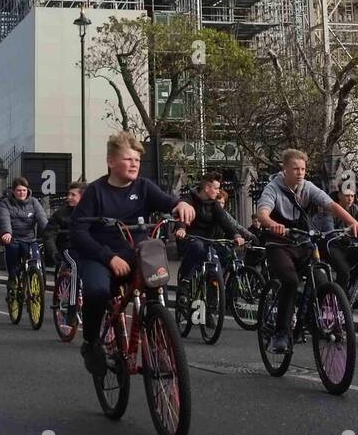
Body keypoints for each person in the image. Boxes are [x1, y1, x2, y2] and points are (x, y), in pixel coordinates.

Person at [69, 131, 195, 377]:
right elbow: (78, 233)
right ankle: (92, 342)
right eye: (128, 159)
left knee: (156, 286)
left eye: (137, 160)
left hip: (136, 254)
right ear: (111, 162)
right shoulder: (95, 192)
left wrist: (182, 204)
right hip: (100, 256)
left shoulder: (144, 187)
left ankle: (157, 338)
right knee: (97, 291)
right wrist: (108, 257)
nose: (134, 164)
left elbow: (169, 201)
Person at [256, 149, 358, 354]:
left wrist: (353, 222)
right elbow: (262, 212)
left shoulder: (307, 187)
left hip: (302, 242)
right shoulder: (273, 188)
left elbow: (331, 204)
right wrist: (272, 224)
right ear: (285, 169)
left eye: (303, 169)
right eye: (296, 169)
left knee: (322, 277)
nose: (300, 173)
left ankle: (312, 320)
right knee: (289, 281)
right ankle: (280, 333)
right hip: (279, 244)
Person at [174, 172, 245, 288]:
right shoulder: (190, 198)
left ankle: (218, 294)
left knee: (224, 257)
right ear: (207, 188)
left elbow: (225, 221)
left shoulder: (214, 204)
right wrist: (181, 228)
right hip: (190, 239)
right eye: (216, 188)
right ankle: (184, 283)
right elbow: (182, 215)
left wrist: (236, 235)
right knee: (197, 246)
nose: (218, 192)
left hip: (209, 241)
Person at [0, 176, 48, 293]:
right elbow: (4, 219)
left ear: (27, 190)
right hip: (13, 237)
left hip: (30, 239)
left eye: (24, 190)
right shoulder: (5, 203)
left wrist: (48, 231)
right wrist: (7, 233)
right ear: (13, 191)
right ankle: (12, 277)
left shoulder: (34, 202)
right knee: (12, 249)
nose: (22, 193)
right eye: (19, 190)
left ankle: (32, 284)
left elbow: (42, 218)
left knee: (35, 259)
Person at [43, 182, 84, 269]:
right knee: (75, 264)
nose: (69, 197)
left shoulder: (90, 212)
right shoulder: (60, 214)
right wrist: (54, 252)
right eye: (69, 194)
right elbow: (49, 234)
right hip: (67, 248)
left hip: (85, 247)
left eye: (73, 195)